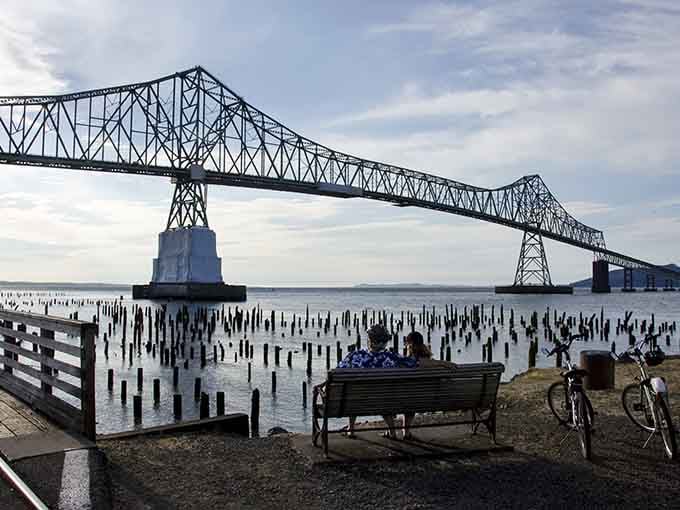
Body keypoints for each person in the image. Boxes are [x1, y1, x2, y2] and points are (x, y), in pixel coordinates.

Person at [337, 323, 416, 438]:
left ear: (370, 340)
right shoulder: (393, 358)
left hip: (357, 401)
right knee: (384, 396)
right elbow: (414, 363)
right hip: (386, 400)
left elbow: (338, 371)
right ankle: (392, 431)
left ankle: (351, 429)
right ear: (385, 342)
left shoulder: (356, 356)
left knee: (354, 392)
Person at [402, 331, 456, 440]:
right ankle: (406, 433)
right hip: (429, 400)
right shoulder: (432, 363)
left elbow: (419, 362)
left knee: (409, 399)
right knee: (412, 399)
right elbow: (431, 363)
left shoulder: (409, 362)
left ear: (410, 346)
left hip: (408, 400)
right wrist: (445, 363)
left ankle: (404, 432)